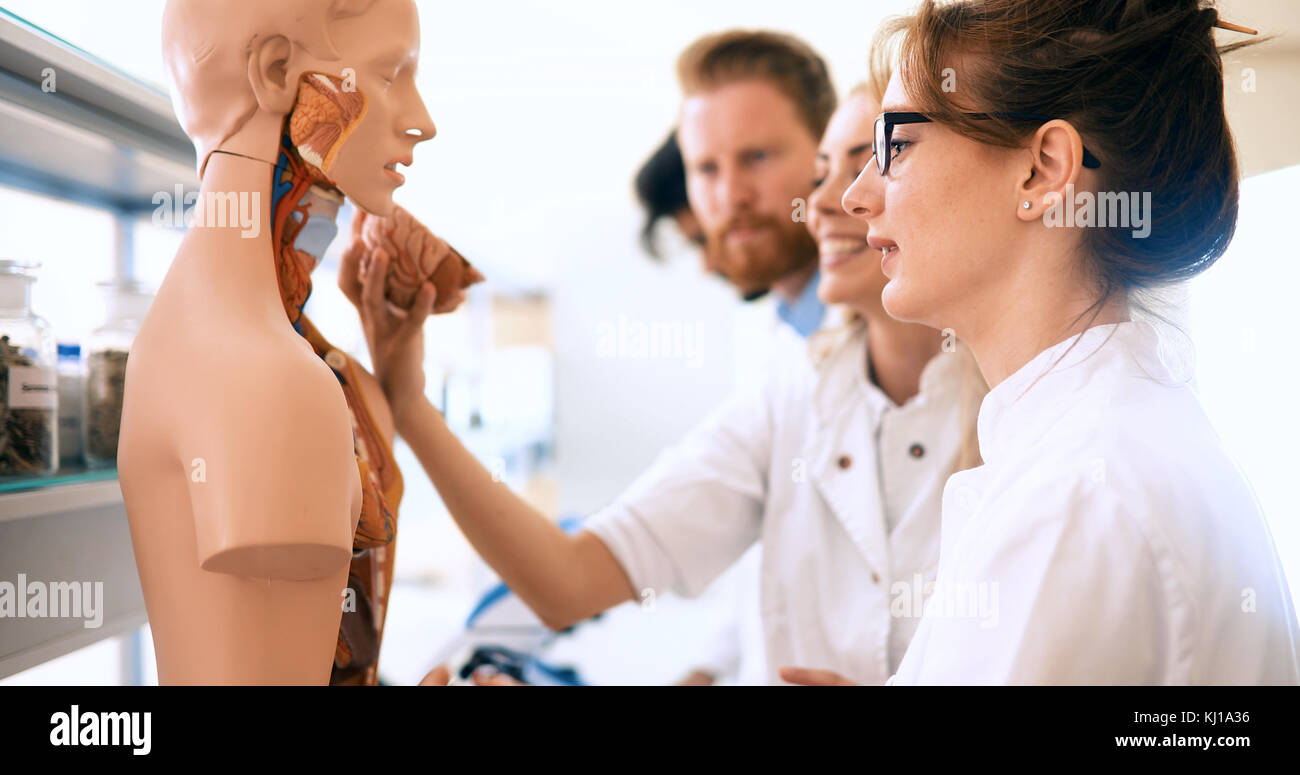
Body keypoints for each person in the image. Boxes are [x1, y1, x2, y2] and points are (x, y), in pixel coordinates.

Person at [350, 30, 988, 685]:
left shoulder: (1010, 385)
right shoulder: (790, 382)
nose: (833, 200)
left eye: (759, 157)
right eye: (708, 169)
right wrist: (409, 402)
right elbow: (575, 575)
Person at [840, 0, 1299, 683]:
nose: (856, 194)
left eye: (895, 145)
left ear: (1045, 169)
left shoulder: (1077, 498)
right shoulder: (1093, 452)